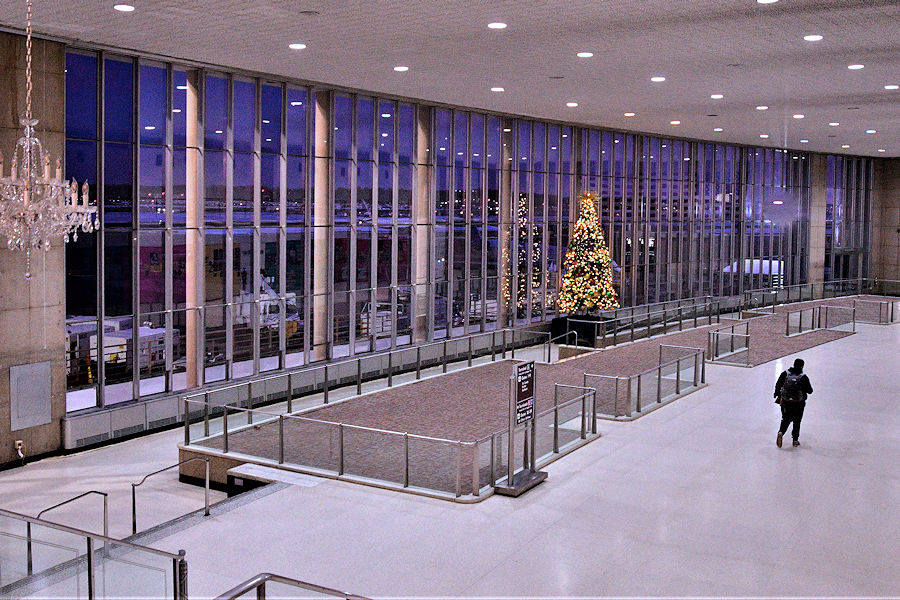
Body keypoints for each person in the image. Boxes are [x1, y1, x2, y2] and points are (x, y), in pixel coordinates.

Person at [774, 358, 813, 448]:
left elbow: (778, 385)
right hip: (799, 403)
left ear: (794, 364)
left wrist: (777, 394)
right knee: (797, 421)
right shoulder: (803, 377)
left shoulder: (785, 374)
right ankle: (795, 440)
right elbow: (810, 391)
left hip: (785, 401)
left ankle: (781, 432)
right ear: (802, 366)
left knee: (785, 418)